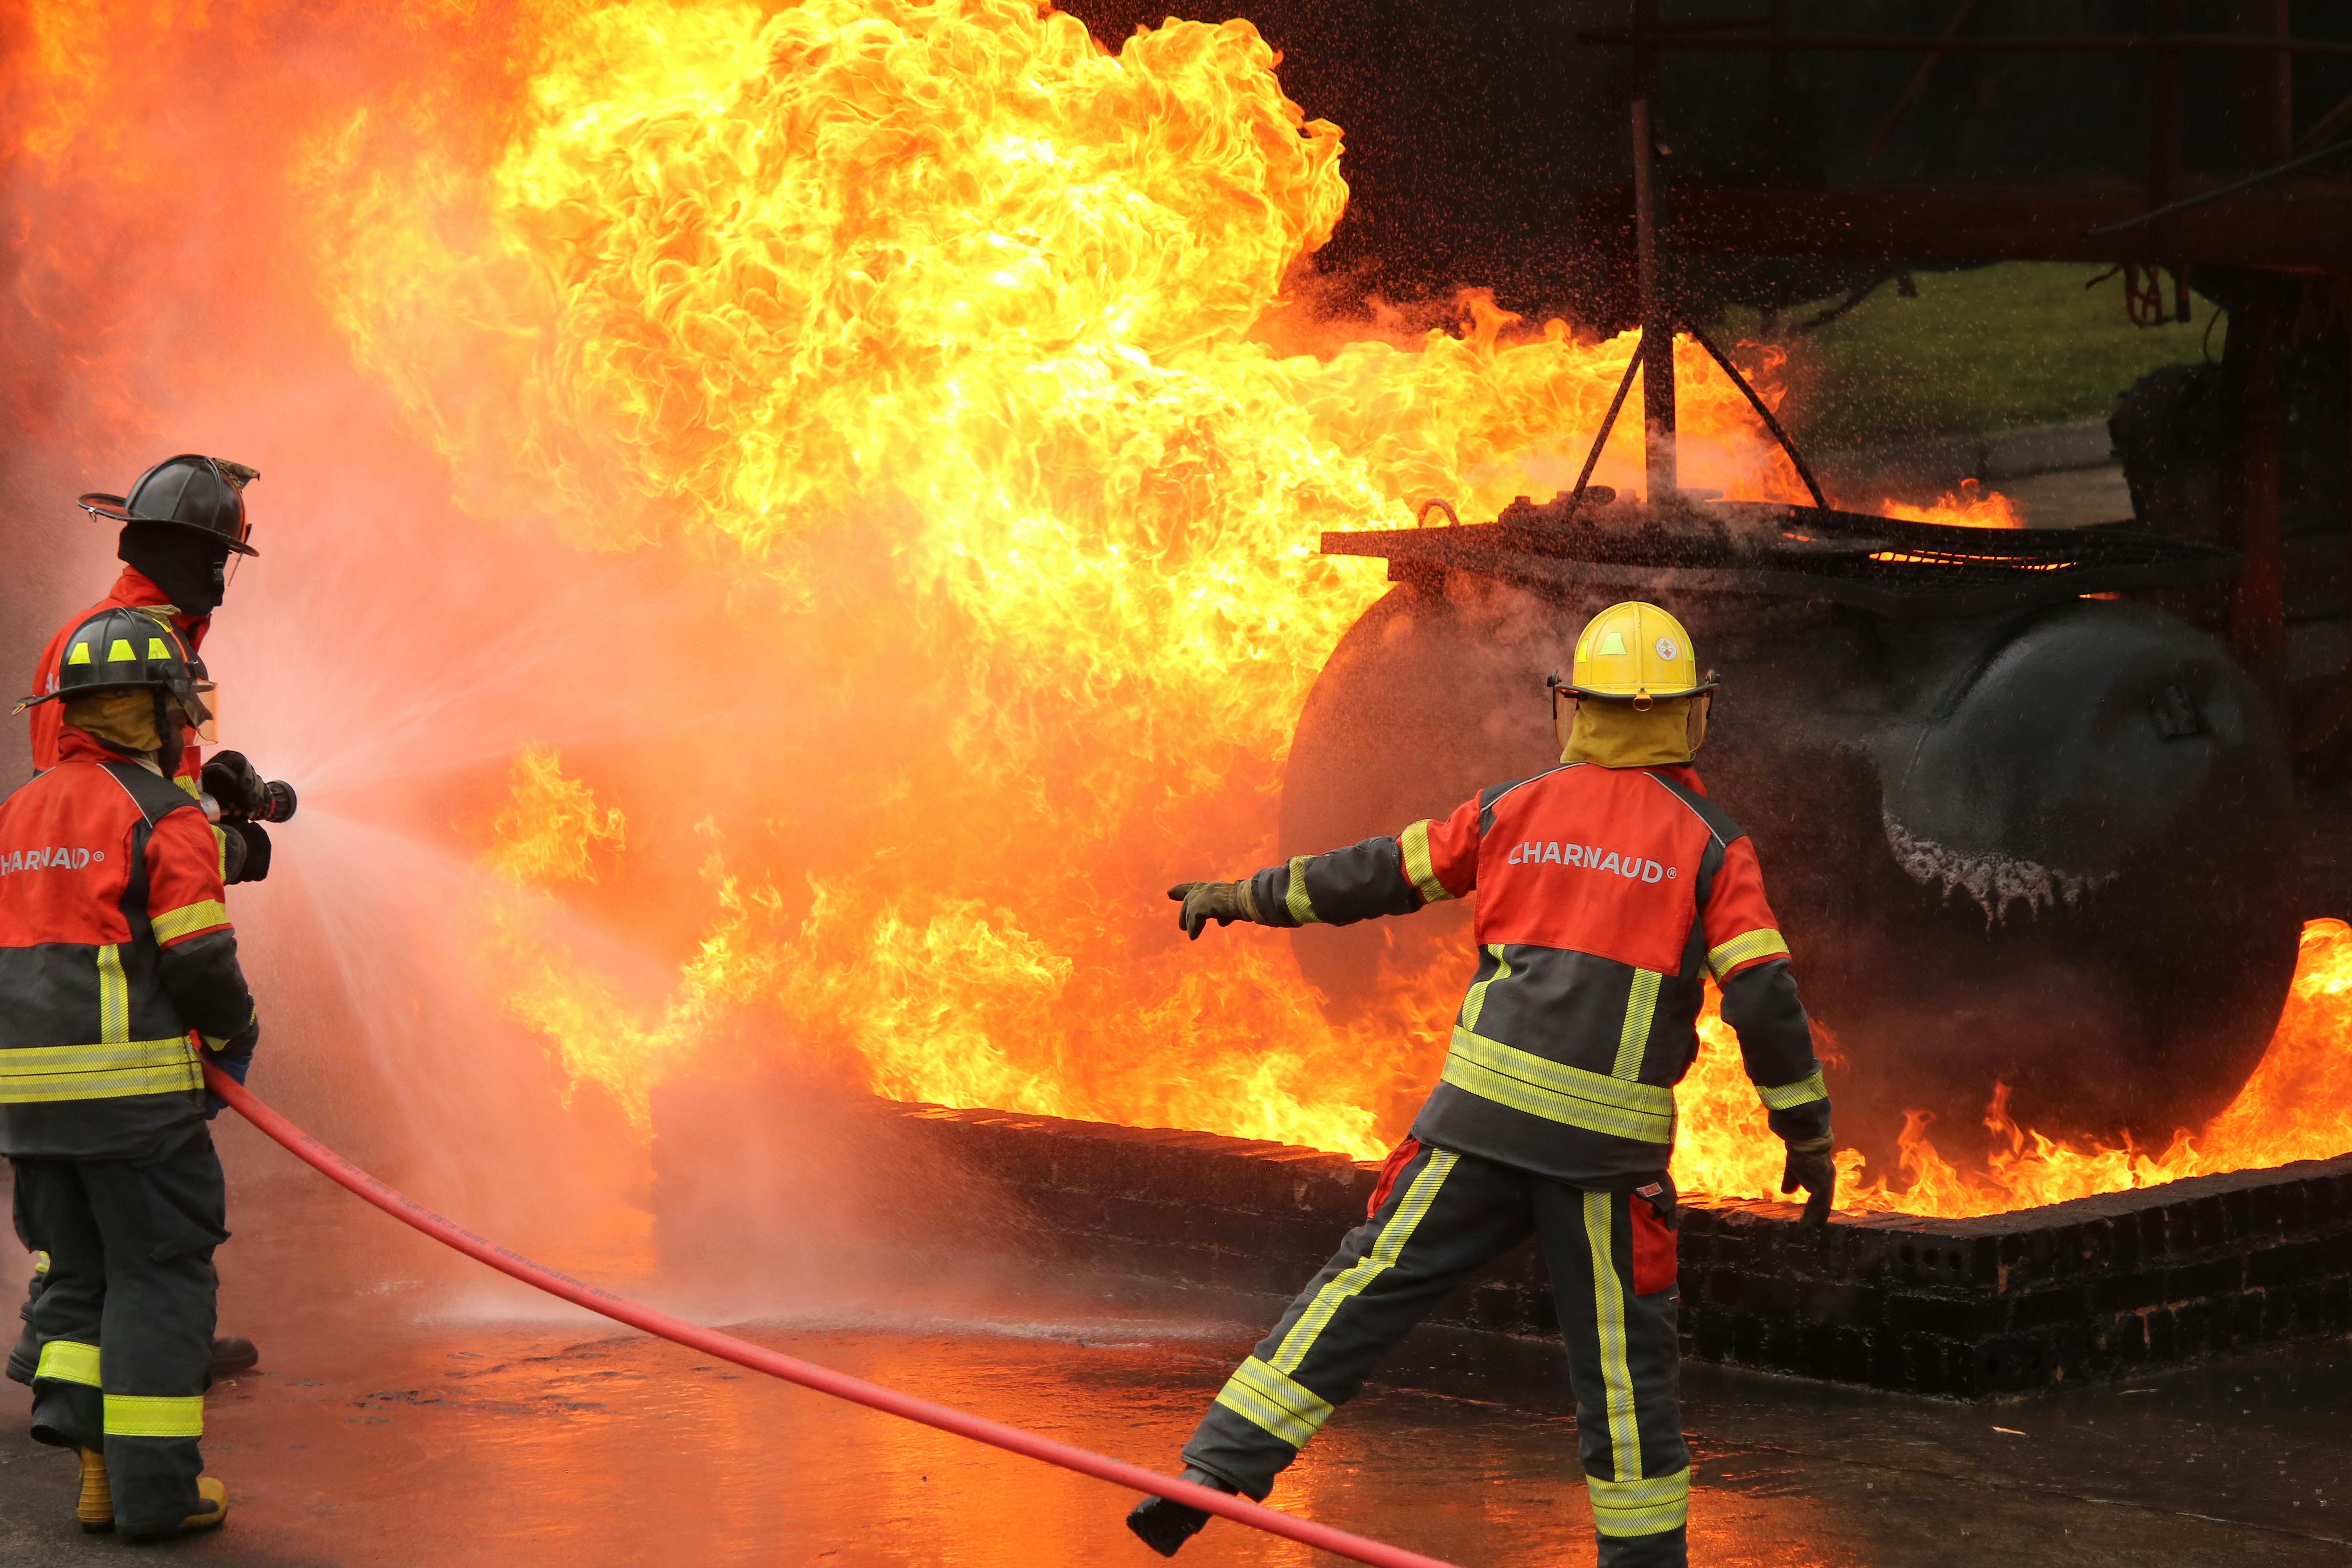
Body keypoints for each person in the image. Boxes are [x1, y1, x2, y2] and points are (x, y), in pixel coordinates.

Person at [1129, 602, 1836, 1568]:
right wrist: (1805, 1131)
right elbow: (1763, 996)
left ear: (1574, 707)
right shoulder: (1713, 845)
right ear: (1689, 714)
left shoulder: (1516, 808)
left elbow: (1375, 875)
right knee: (1626, 1386)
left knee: (1362, 1288)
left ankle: (1204, 1478)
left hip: (1473, 1131)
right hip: (1601, 1164)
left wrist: (1244, 894)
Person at [10, 456, 273, 1391]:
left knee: (87, 1176)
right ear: (198, 553)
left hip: (81, 933)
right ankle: (143, 1343)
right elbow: (122, 800)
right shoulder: (131, 639)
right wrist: (217, 848)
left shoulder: (124, 637)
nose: (223, 575)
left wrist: (221, 791)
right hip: (116, 940)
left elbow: (146, 781)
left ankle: (85, 1352)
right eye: (223, 554)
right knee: (135, 1180)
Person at [1, 607, 258, 1538]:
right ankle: (159, 1492)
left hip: (27, 1107)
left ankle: (98, 1467)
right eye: (175, 710)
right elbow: (198, 960)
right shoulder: (162, 811)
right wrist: (236, 1039)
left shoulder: (14, 812)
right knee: (159, 1275)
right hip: (135, 1101)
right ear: (150, 709)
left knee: (77, 1274)